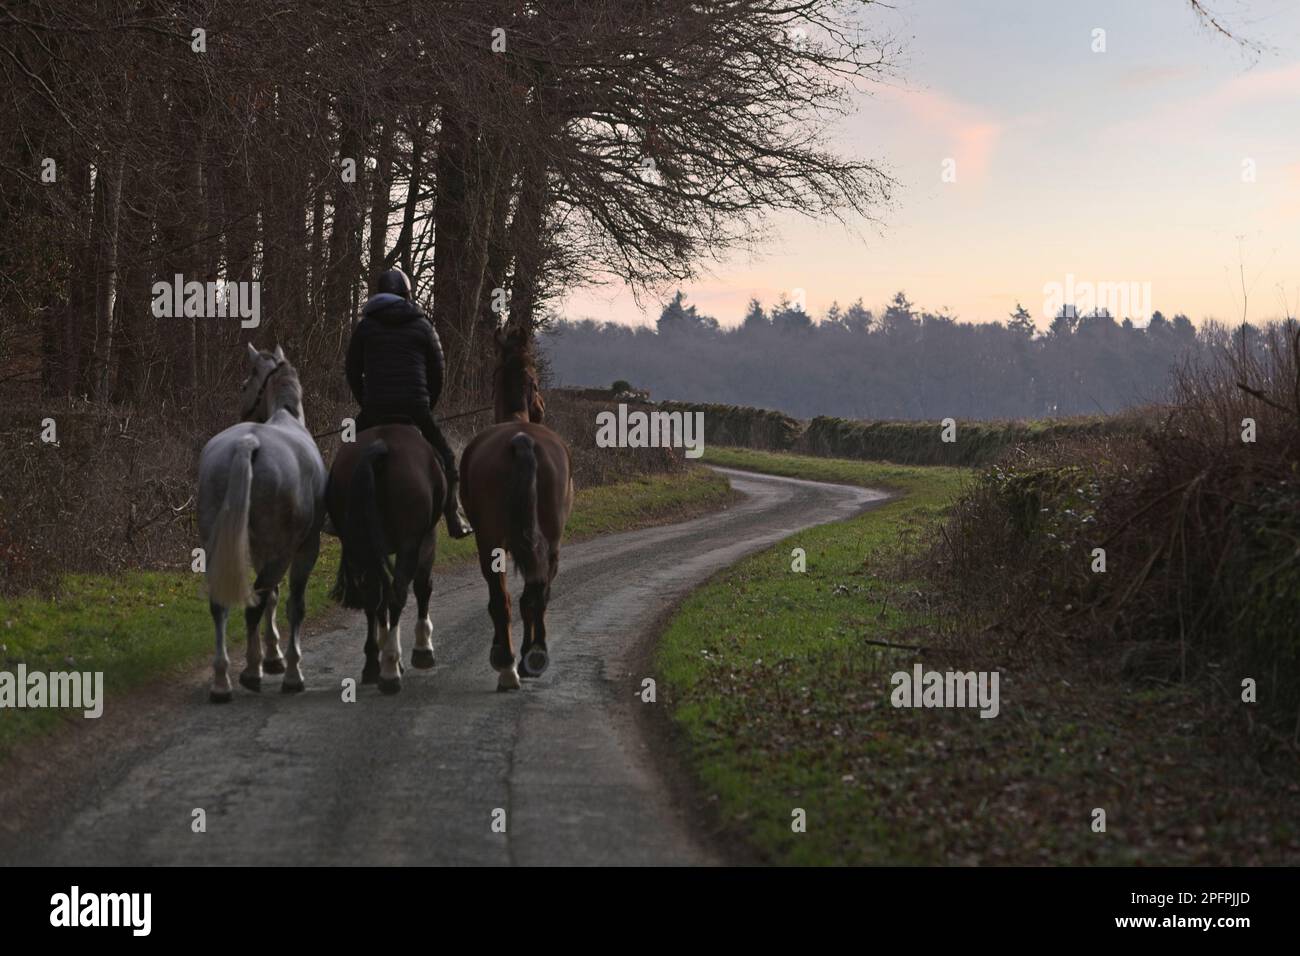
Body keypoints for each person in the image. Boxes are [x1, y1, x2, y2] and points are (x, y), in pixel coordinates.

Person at [344, 268, 472, 538]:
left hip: (375, 410)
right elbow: (439, 373)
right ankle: (453, 515)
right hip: (415, 409)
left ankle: (333, 515)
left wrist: (366, 402)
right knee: (447, 458)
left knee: (344, 453)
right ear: (406, 294)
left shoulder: (365, 326)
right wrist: (426, 406)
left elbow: (352, 371)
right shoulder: (423, 325)